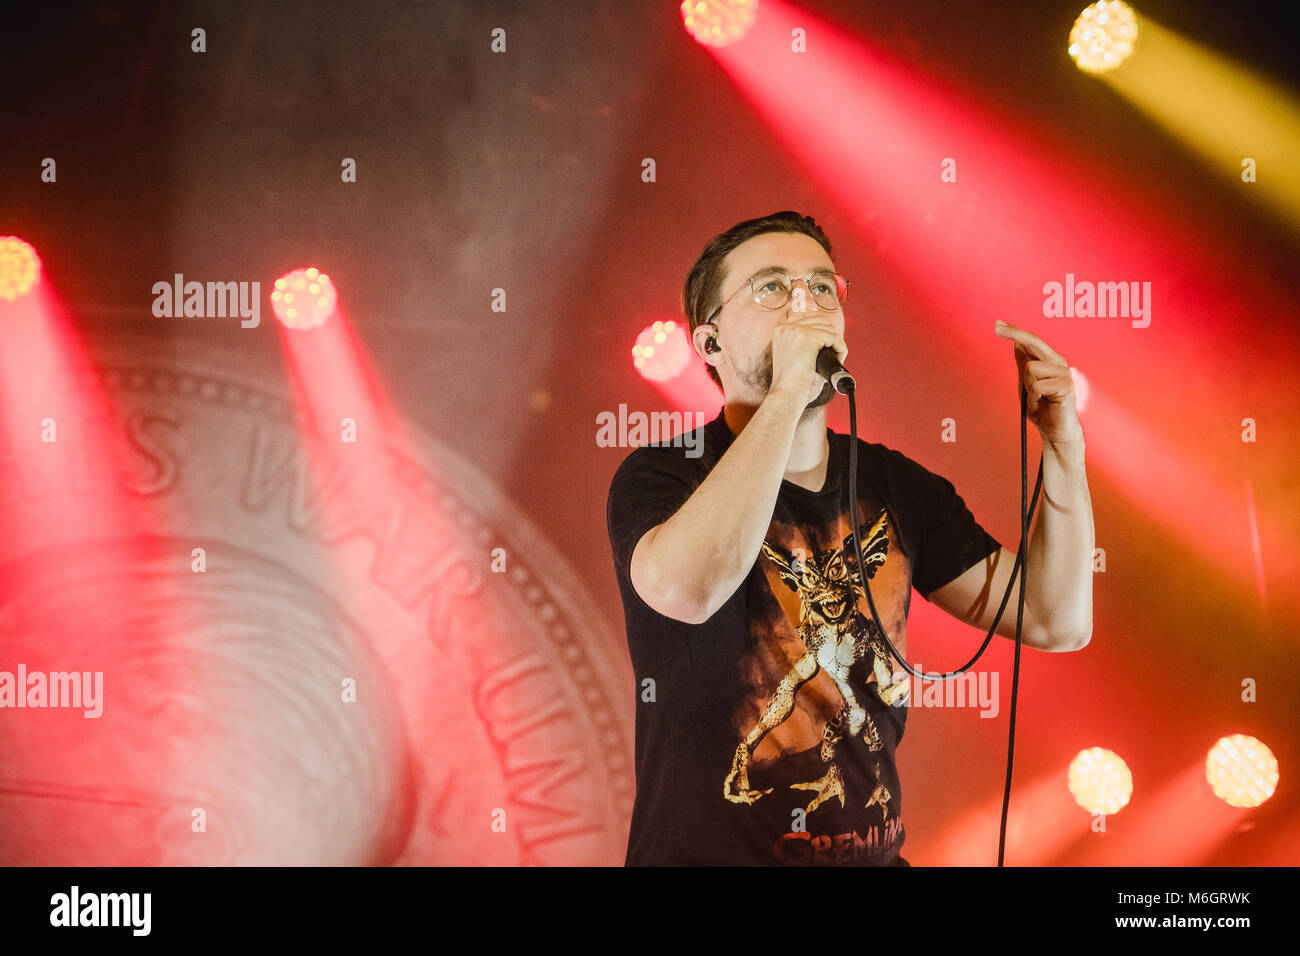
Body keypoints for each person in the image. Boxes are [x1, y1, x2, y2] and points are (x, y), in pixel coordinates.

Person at [605, 211, 1094, 866]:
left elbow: (1055, 618)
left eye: (821, 288)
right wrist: (787, 392)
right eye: (772, 288)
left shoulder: (896, 484)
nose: (804, 302)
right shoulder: (664, 474)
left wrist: (1063, 448)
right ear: (709, 343)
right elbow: (689, 588)